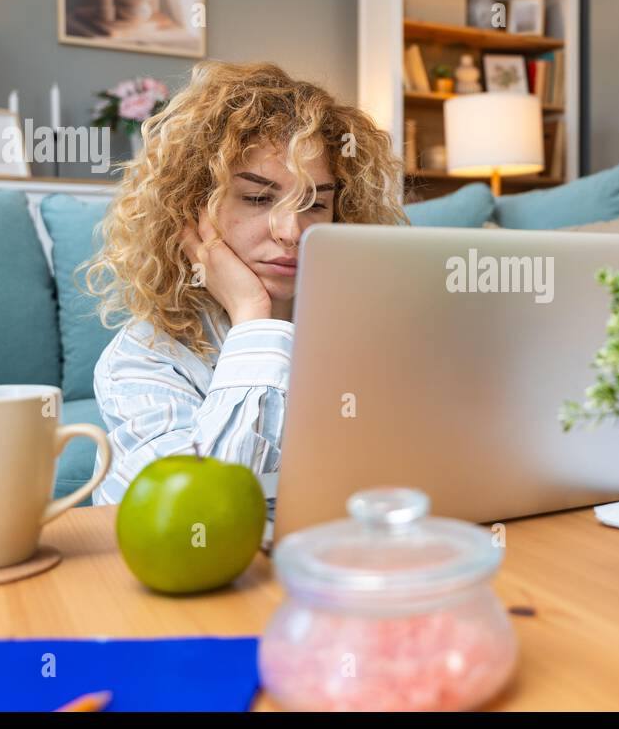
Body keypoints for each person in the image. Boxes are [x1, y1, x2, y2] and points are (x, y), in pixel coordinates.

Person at [80, 60, 406, 504]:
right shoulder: (143, 358)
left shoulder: (364, 332)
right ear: (193, 207)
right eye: (257, 198)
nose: (291, 232)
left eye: (314, 203)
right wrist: (254, 318)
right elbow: (203, 509)